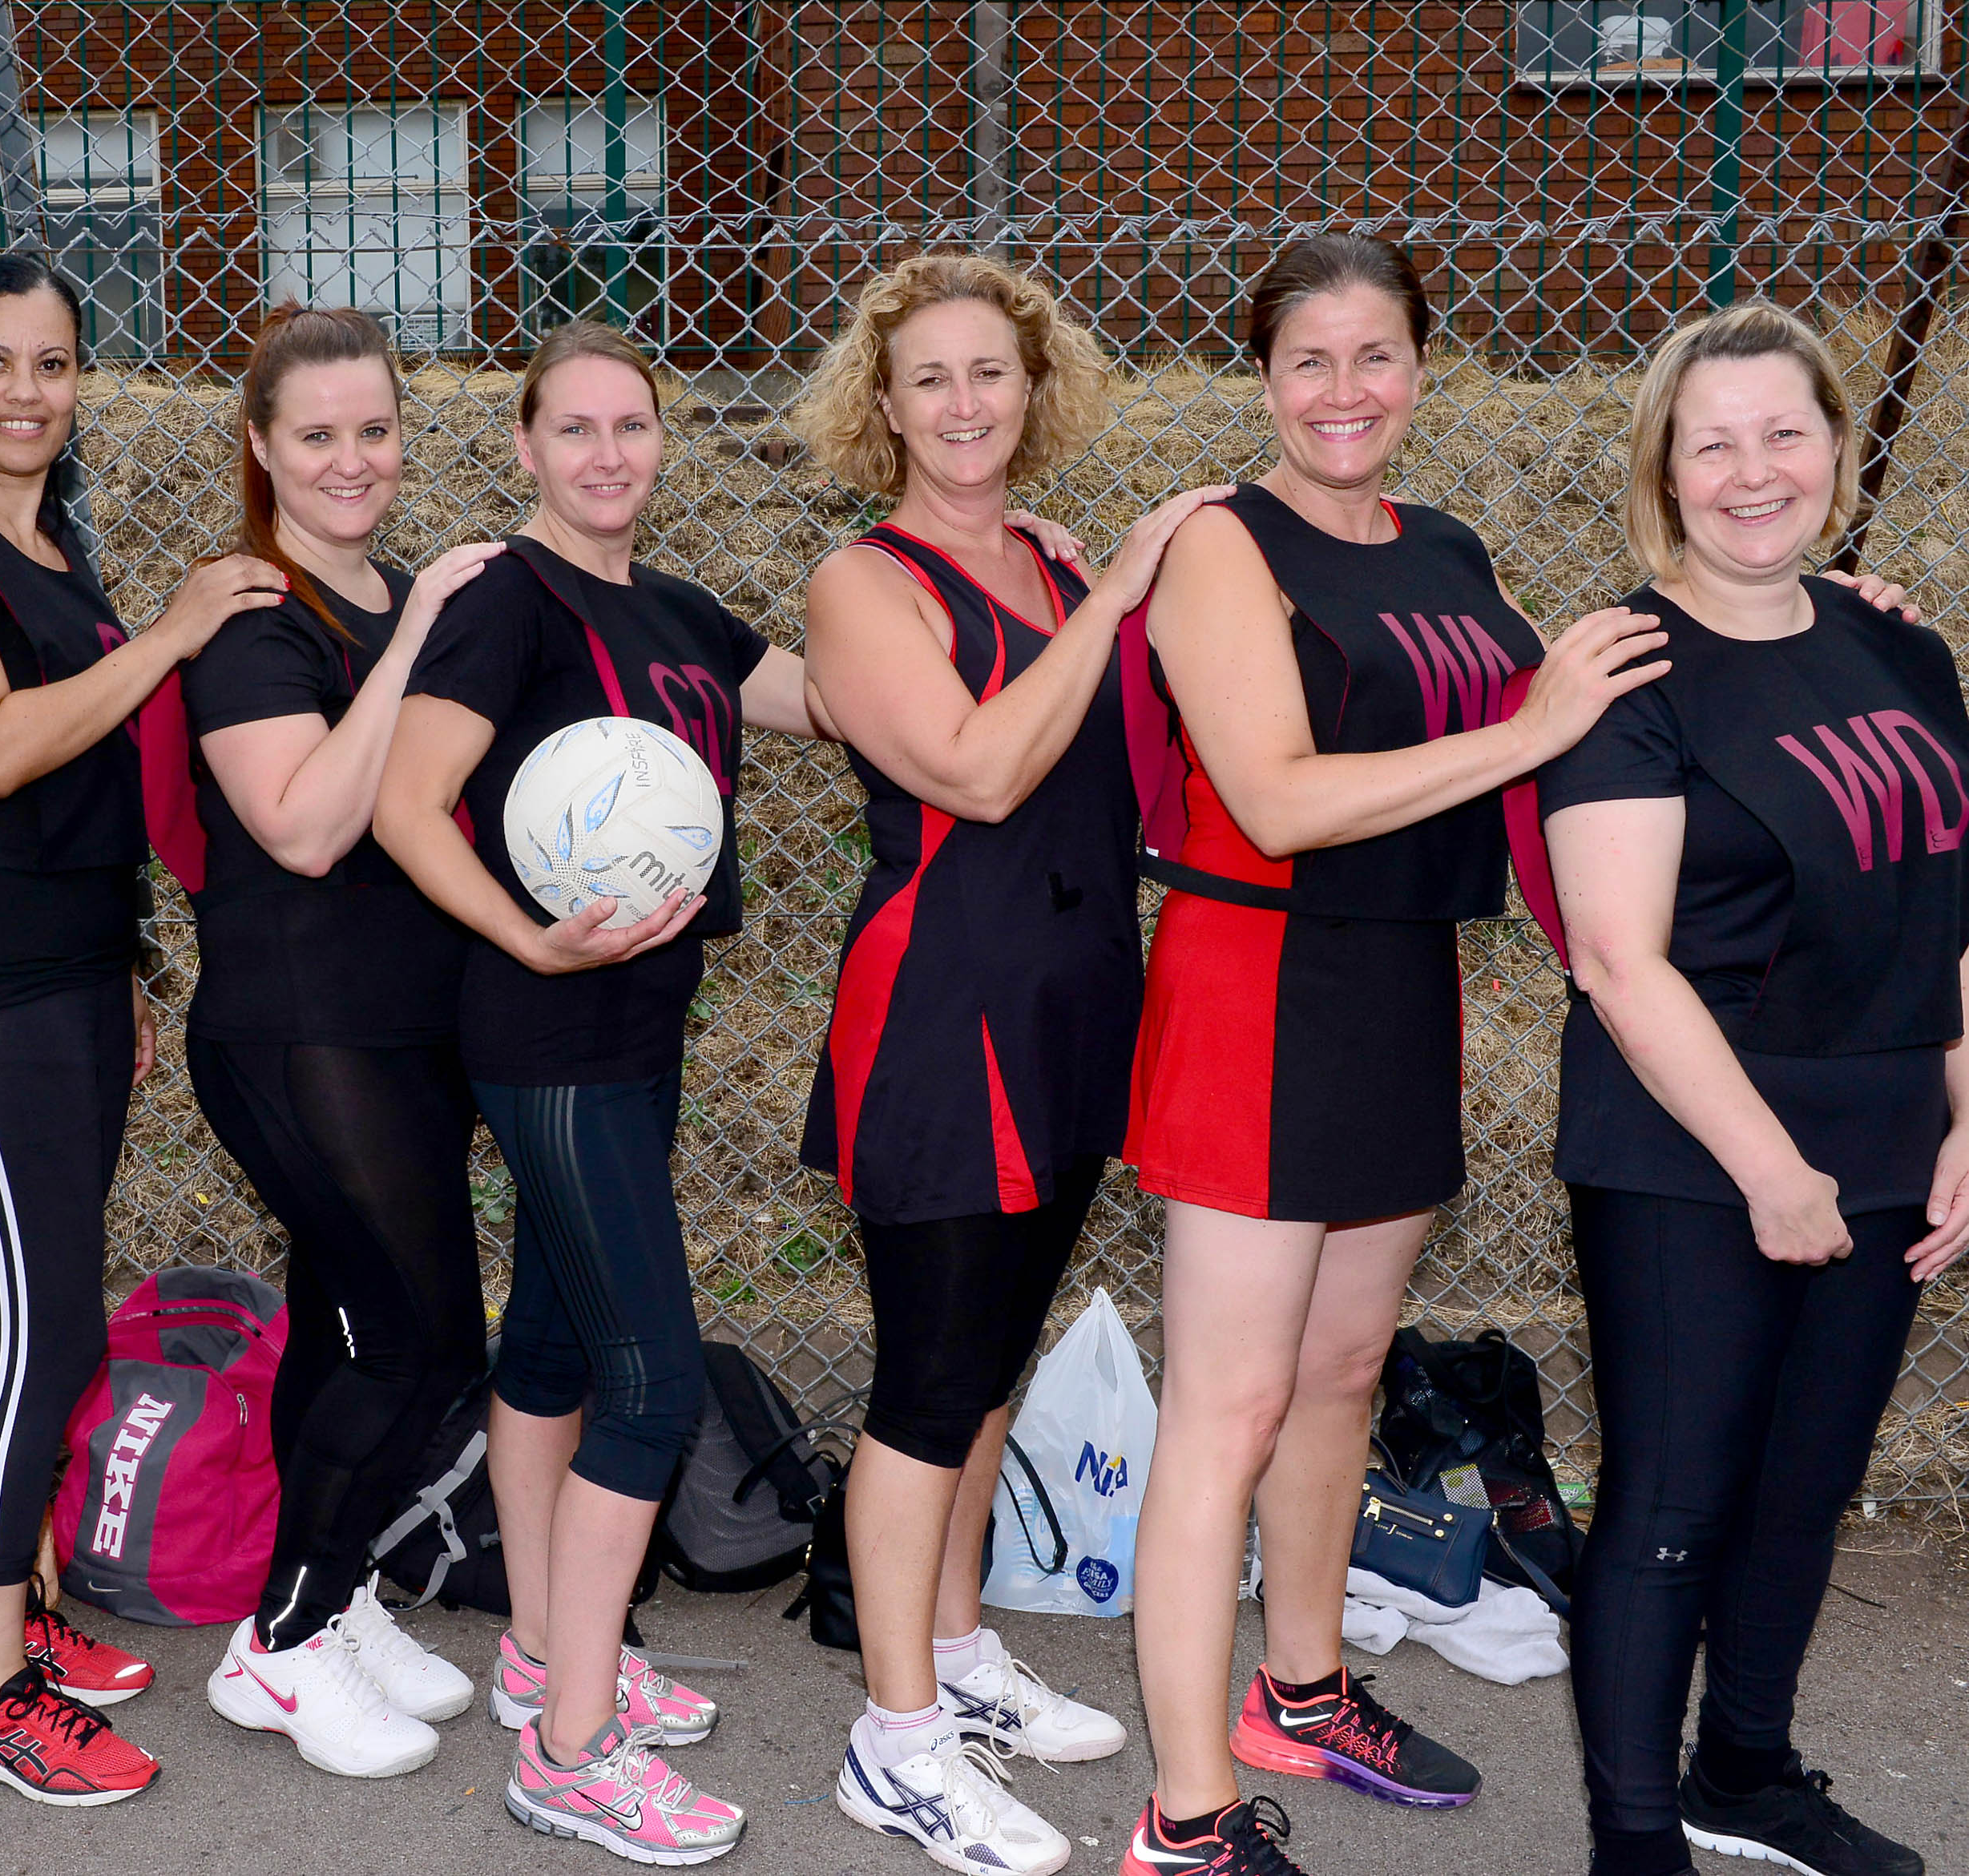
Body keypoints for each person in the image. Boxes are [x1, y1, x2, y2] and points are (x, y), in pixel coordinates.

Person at [1116, 233, 1667, 1876]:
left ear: (1420, 367)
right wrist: (1524, 726)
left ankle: (1296, 1688)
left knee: (1342, 1376)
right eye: (1308, 361)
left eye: (1373, 357)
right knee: (1224, 1404)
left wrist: (1820, 616)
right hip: (1254, 986)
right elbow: (1275, 797)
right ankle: (1182, 1819)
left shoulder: (1443, 543)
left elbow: (1593, 698)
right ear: (1263, 376)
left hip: (1391, 989)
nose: (1342, 392)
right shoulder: (1226, 546)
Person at [791, 250, 1230, 1875]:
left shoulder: (1051, 565)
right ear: (883, 405)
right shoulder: (866, 581)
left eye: (992, 372)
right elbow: (976, 772)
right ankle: (890, 1743)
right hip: (941, 1013)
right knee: (924, 1385)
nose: (964, 402)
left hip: (1070, 1001)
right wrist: (1115, 594)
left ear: (1032, 392)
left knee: (987, 1366)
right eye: (931, 378)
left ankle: (957, 1650)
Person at [375, 318, 833, 1865]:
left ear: (662, 439)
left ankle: (534, 1653)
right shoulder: (508, 602)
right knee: (649, 1375)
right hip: (548, 1027)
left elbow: (836, 696)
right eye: (573, 428)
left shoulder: (685, 611)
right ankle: (572, 1750)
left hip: (646, 1027)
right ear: (524, 446)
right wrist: (527, 935)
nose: (606, 453)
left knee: (556, 1343)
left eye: (630, 425)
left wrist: (982, 579)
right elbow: (406, 802)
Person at [0, 252, 283, 1806]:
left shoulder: (47, 536)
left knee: (17, 1322)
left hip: (71, 980)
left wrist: (133, 971)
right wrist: (163, 636)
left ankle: (2, 1605)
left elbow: (95, 787)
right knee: (46, 1326)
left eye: (52, 364)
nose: (26, 392)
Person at [1537, 303, 1955, 1876]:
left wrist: (1965, 1107)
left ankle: (1748, 1773)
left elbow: (1942, 897)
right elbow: (1617, 960)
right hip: (1692, 1139)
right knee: (1670, 1501)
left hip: (1880, 1122)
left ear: (1838, 450)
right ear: (1664, 468)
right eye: (1711, 440)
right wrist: (1772, 1170)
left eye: (1784, 431)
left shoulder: (1898, 641)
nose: (1751, 469)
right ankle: (1634, 1835)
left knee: (1805, 1486)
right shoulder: (1625, 669)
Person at [172, 304, 502, 1777]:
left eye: (374, 428)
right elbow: (303, 825)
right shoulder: (256, 619)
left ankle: (333, 1590)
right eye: (317, 435)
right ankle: (284, 1639)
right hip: (298, 1032)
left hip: (405, 1027)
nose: (351, 458)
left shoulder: (377, 607)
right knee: (422, 1337)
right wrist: (426, 621)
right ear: (261, 446)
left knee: (346, 1326)